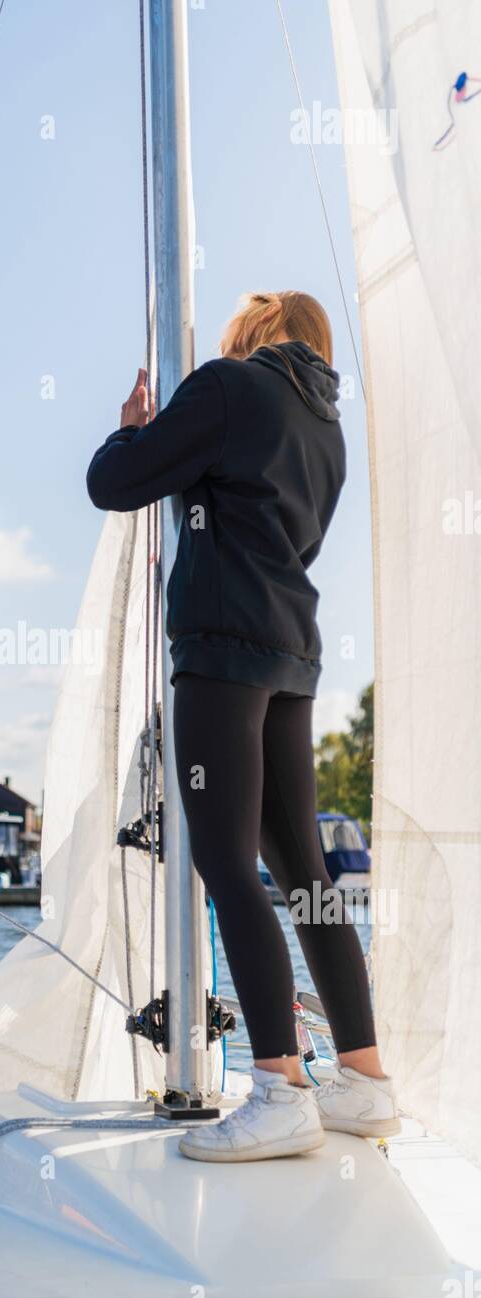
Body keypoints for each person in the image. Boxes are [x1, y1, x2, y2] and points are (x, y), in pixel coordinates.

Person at [87, 290, 399, 1163]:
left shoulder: (228, 388)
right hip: (292, 654)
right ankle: (365, 1081)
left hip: (223, 647)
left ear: (256, 335)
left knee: (225, 861)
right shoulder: (326, 428)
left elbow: (112, 483)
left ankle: (279, 1087)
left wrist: (131, 431)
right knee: (302, 866)